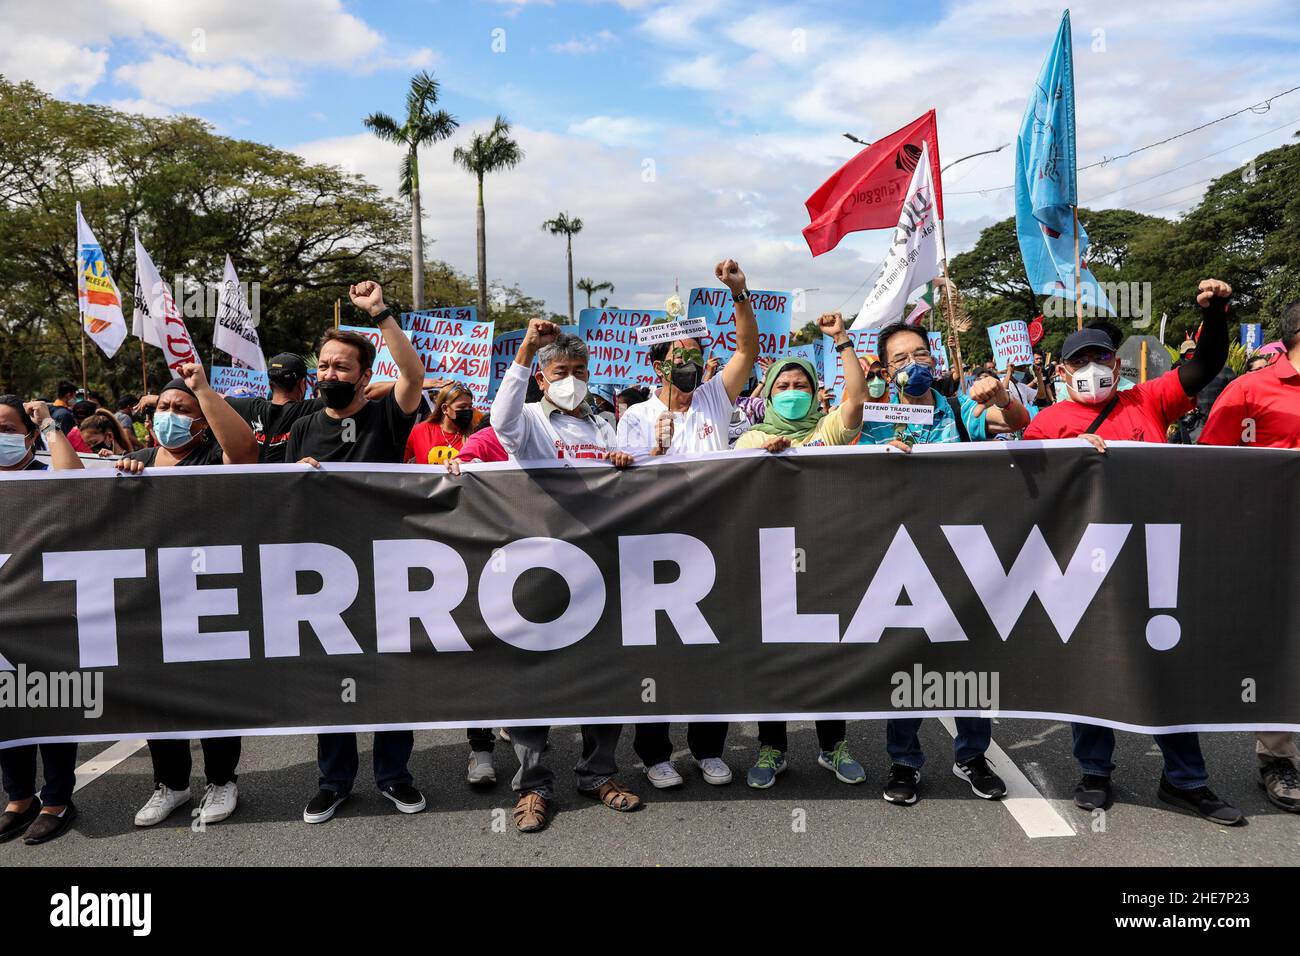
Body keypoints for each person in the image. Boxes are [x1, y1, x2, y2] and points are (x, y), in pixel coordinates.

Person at [1025, 279, 1243, 825]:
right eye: (1081, 361)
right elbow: (1023, 493)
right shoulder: (1046, 424)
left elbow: (1208, 362)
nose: (1092, 369)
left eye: (1102, 358)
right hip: (1081, 567)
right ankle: (1095, 772)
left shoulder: (1148, 398)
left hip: (1155, 560)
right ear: (1063, 372)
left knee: (1166, 665)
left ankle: (1186, 780)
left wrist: (1215, 314)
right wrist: (1064, 458)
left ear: (1117, 367)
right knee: (1091, 669)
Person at [858, 322, 1027, 805]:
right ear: (886, 372)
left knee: (969, 660)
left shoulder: (958, 408)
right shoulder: (870, 419)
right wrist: (878, 457)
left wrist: (1002, 394)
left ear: (935, 358)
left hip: (962, 556)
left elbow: (1015, 423)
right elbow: (848, 475)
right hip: (901, 559)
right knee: (908, 662)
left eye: (920, 354)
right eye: (899, 359)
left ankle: (972, 755)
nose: (912, 365)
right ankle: (904, 761)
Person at [284, 280, 429, 825]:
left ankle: (395, 777)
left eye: (342, 367)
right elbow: (282, 505)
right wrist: (293, 480)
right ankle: (334, 781)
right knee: (332, 682)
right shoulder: (301, 429)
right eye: (323, 366)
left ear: (364, 376)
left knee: (389, 676)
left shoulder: (386, 415)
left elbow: (412, 376)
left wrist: (380, 314)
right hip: (324, 578)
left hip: (386, 570)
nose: (329, 375)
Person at [489, 317, 640, 832]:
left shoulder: (603, 425)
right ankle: (532, 787)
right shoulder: (528, 419)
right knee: (535, 678)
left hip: (599, 570)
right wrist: (528, 348)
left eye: (579, 370)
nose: (571, 378)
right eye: (560, 371)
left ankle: (598, 772)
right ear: (542, 377)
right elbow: (500, 419)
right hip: (540, 573)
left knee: (604, 675)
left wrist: (623, 459)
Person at [616, 258, 758, 789]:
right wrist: (650, 451)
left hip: (716, 545)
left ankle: (708, 748)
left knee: (710, 650)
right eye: (679, 357)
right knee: (658, 652)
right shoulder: (634, 416)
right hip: (655, 553)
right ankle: (654, 753)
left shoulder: (715, 399)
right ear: (657, 366)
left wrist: (738, 294)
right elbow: (621, 484)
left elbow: (746, 350)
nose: (690, 365)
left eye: (696, 357)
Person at [114, 365, 259, 827]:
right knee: (160, 694)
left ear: (202, 422)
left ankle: (222, 781)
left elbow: (244, 449)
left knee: (212, 691)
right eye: (163, 407)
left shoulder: (216, 458)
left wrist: (200, 386)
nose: (169, 414)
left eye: (182, 409)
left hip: (210, 593)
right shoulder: (135, 458)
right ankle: (171, 786)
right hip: (151, 597)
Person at [733, 312, 871, 789]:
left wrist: (841, 342)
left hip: (826, 559)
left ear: (815, 392)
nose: (793, 390)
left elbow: (856, 399)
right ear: (768, 394)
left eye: (801, 384)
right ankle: (773, 747)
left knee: (828, 655)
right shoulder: (751, 437)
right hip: (769, 565)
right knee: (776, 658)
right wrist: (757, 456)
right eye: (783, 384)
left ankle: (834, 746)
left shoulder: (827, 431)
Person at [1199, 299, 1300, 813]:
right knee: (1281, 647)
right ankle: (1277, 756)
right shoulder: (1248, 389)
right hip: (1271, 542)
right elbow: (1215, 468)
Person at [0, 397, 83, 844]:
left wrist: (49, 423)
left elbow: (74, 484)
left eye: (8, 429)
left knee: (49, 705)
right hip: (3, 622)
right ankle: (19, 799)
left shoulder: (42, 476)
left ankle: (56, 800)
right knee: (5, 709)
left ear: (30, 436)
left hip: (47, 615)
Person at [220, 353, 325, 464]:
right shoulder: (313, 409)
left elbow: (212, 396)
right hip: (290, 480)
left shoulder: (249, 407)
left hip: (252, 480)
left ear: (270, 384)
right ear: (302, 383)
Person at [405, 382, 479, 464]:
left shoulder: (475, 435)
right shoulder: (420, 431)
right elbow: (403, 465)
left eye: (470, 406)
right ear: (445, 408)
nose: (468, 410)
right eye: (462, 407)